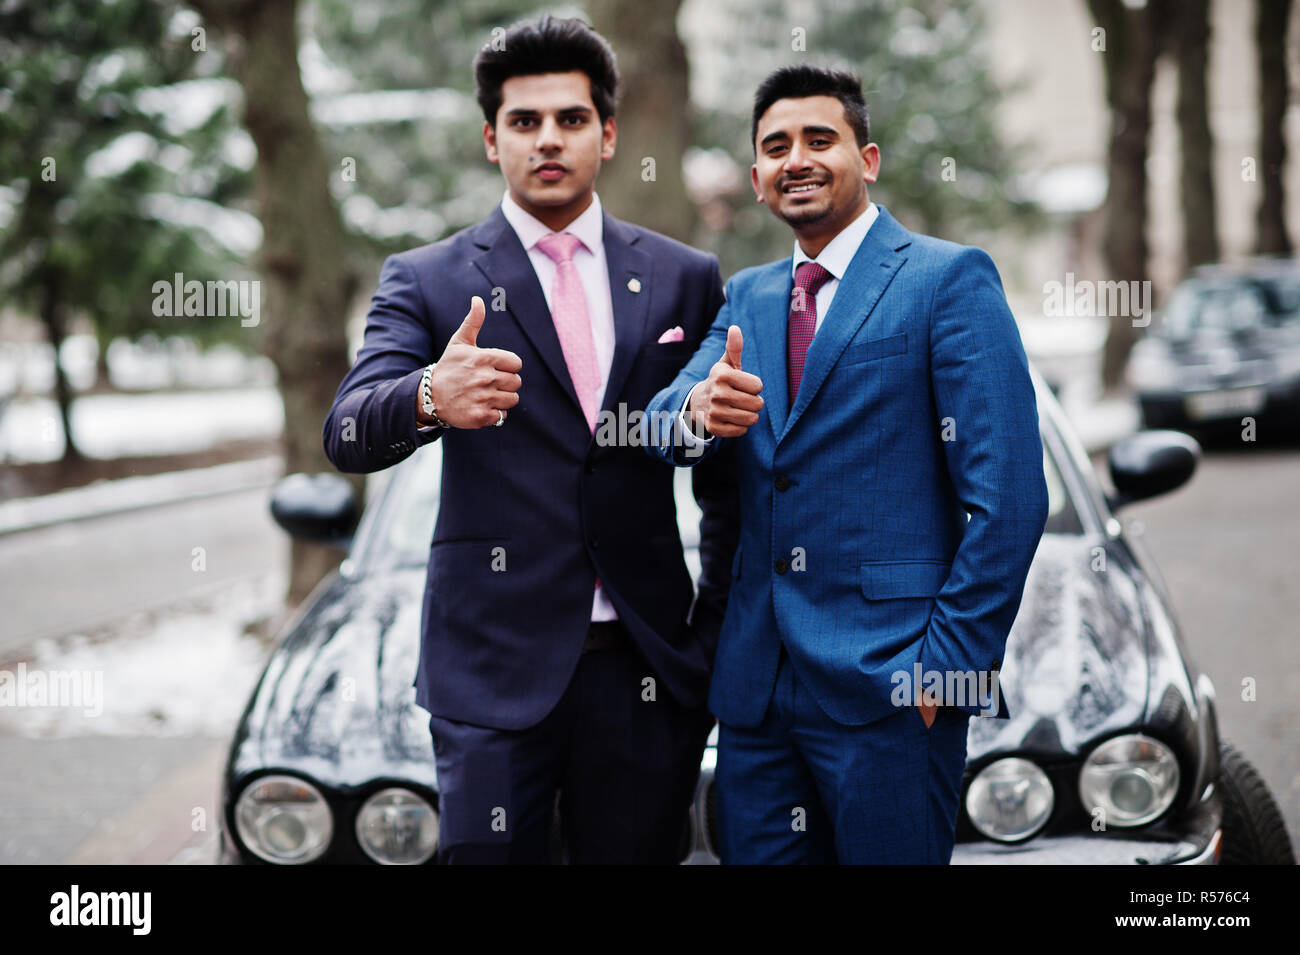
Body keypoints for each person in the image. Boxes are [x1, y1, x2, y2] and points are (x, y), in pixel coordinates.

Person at [323, 15, 737, 864]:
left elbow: (722, 468)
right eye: (524, 122)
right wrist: (432, 393)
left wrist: (709, 631)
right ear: (491, 139)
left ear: (609, 134)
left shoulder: (683, 276)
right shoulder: (427, 279)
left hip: (646, 665)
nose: (548, 139)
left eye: (571, 119)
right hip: (490, 673)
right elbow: (348, 428)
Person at [644, 65, 1049, 864]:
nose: (797, 158)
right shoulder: (748, 298)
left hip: (894, 687)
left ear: (867, 159)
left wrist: (941, 673)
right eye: (775, 146)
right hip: (758, 695)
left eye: (818, 139)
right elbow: (662, 419)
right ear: (757, 179)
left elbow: (1007, 498)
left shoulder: (946, 280)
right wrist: (697, 411)